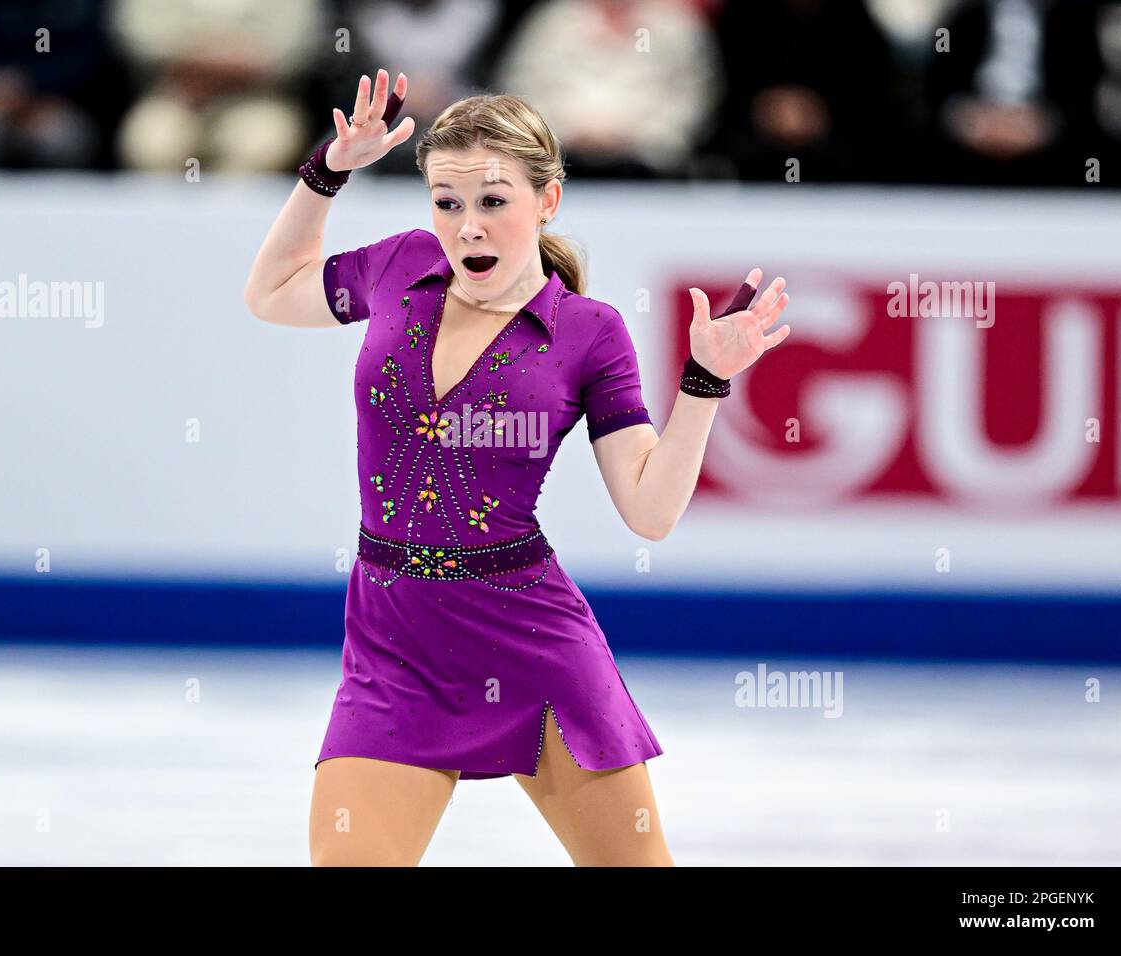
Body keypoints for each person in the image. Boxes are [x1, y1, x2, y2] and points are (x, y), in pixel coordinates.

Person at [244, 69, 791, 866]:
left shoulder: (589, 334)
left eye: (493, 201)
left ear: (548, 199)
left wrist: (705, 383)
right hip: (393, 640)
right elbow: (271, 293)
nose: (467, 226)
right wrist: (330, 169)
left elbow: (649, 511)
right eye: (447, 201)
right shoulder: (398, 267)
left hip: (528, 637)